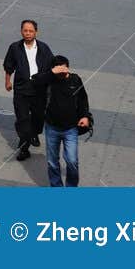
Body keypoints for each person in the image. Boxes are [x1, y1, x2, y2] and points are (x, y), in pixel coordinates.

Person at [2, 19, 55, 161]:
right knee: (23, 119)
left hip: (39, 90)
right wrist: (7, 81)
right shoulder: (15, 48)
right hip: (21, 89)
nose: (28, 33)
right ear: (21, 31)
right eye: (25, 30)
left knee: (38, 117)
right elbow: (9, 66)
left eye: (31, 31)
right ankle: (24, 149)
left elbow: (52, 67)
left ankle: (34, 133)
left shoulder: (44, 48)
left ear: (36, 32)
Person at [41, 55, 92, 187]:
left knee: (72, 161)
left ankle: (71, 187)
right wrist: (51, 73)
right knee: (52, 161)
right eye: (59, 70)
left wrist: (84, 116)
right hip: (52, 128)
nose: (62, 73)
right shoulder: (49, 80)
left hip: (71, 128)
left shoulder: (75, 79)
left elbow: (83, 99)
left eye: (64, 69)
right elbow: (34, 81)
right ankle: (56, 187)